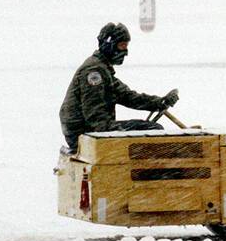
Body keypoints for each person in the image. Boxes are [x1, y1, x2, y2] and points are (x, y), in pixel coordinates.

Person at [60, 22, 179, 152]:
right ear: (109, 45)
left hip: (89, 131)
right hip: (83, 135)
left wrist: (159, 102)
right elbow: (95, 116)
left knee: (148, 129)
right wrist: (118, 135)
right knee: (152, 130)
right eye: (122, 46)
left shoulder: (103, 69)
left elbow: (127, 96)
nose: (125, 52)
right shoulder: (94, 71)